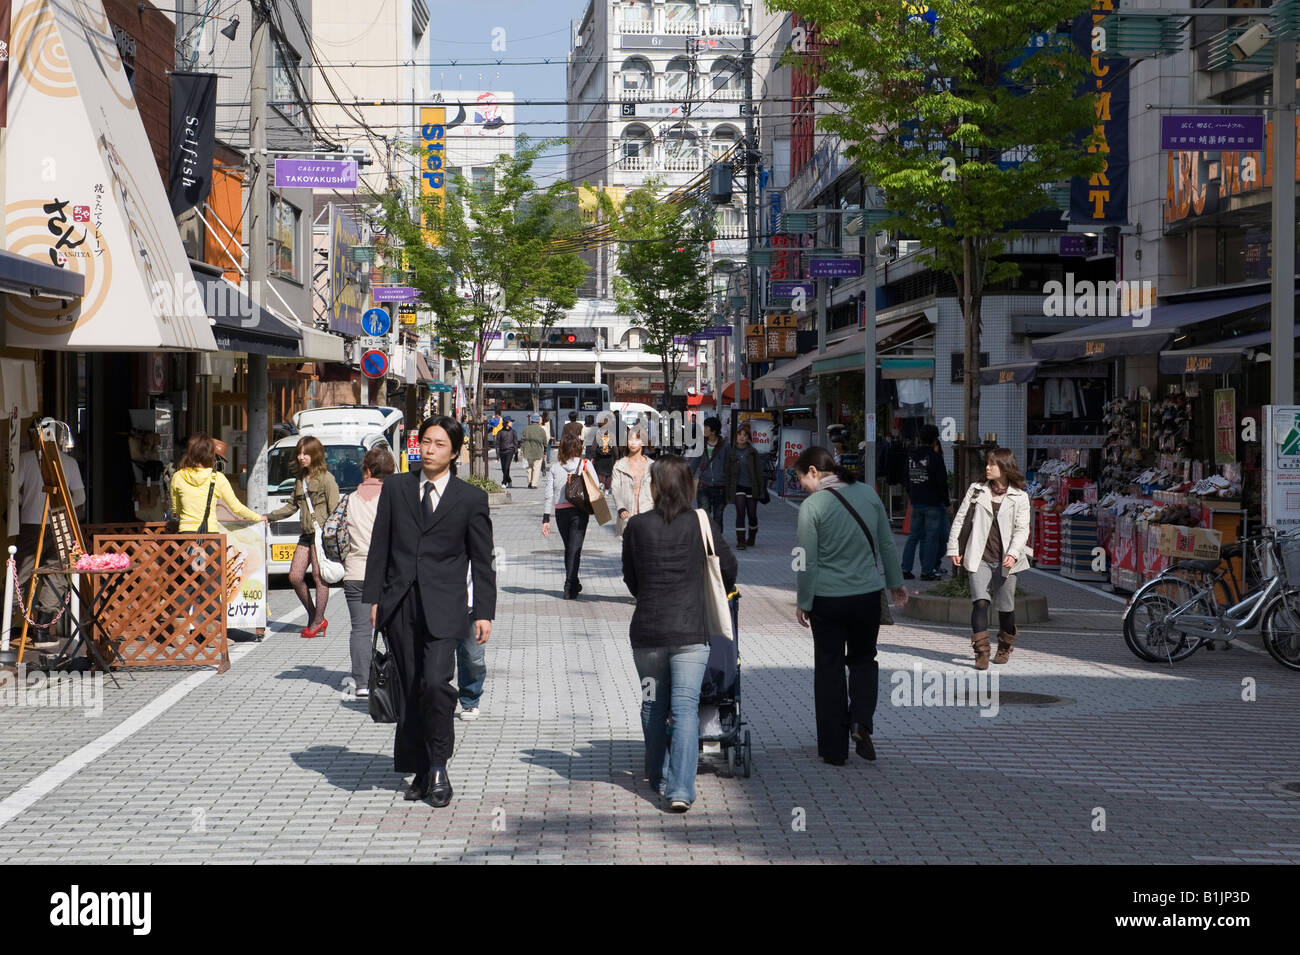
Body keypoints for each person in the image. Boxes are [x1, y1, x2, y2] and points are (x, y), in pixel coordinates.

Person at [363, 416, 496, 808]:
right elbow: (380, 546)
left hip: (446, 607)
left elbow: (482, 560)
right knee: (412, 689)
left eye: (440, 444)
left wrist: (484, 611)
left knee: (436, 684)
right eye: (426, 442)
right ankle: (420, 768)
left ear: (454, 452)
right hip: (400, 605)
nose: (431, 449)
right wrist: (374, 599)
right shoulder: (396, 488)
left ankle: (438, 765)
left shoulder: (470, 498)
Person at [622, 455, 737, 812]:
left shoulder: (637, 526)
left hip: (647, 634)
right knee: (685, 708)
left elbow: (631, 578)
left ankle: (655, 775)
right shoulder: (701, 523)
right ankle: (681, 790)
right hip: (691, 633)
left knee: (653, 703)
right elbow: (729, 569)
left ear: (655, 487)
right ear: (689, 486)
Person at [794, 446, 906, 765]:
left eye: (802, 478)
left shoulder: (813, 506)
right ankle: (860, 722)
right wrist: (896, 584)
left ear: (814, 472)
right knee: (863, 660)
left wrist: (804, 601)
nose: (802, 485)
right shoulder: (869, 495)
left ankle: (833, 750)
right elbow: (886, 543)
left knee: (829, 667)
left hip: (827, 601)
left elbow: (806, 559)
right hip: (867, 597)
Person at [947, 448, 1032, 670]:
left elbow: (1022, 530)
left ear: (1004, 467)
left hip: (1006, 559)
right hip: (979, 556)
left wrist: (1013, 553)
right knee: (980, 603)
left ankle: (1005, 644)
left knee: (1006, 609)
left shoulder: (1020, 496)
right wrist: (954, 547)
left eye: (992, 464)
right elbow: (960, 519)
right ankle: (981, 652)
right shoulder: (976, 491)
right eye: (987, 463)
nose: (987, 467)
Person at [267, 435, 340, 639]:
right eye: (299, 453)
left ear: (315, 455)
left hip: (320, 535)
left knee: (319, 576)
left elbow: (335, 510)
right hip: (306, 535)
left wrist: (332, 537)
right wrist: (269, 517)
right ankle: (314, 616)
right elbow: (292, 506)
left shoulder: (327, 479)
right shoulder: (300, 479)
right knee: (295, 576)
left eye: (305, 453)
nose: (301, 457)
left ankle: (318, 621)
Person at [15, 426, 87, 622]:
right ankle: (44, 626)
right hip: (60, 522)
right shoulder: (69, 462)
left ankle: (8, 620)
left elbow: (13, 492)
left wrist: (28, 502)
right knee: (57, 571)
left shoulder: (26, 459)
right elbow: (80, 497)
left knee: (22, 572)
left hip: (31, 521)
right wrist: (62, 505)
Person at [341, 446, 396, 699]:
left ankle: (362, 682)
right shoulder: (396, 496)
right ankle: (396, 675)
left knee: (361, 629)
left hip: (356, 570)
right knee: (393, 628)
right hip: (389, 572)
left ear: (367, 469)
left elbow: (334, 534)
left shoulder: (349, 499)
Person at [542, 431, 595, 599]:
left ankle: (573, 582)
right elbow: (596, 488)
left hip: (560, 512)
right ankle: (569, 585)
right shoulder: (586, 464)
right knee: (574, 549)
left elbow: (548, 494)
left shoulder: (555, 467)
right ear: (578, 447)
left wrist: (546, 518)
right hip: (579, 511)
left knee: (569, 548)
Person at [900, 424, 950, 581]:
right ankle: (927, 571)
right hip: (933, 503)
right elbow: (942, 482)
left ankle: (905, 569)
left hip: (916, 502)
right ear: (935, 439)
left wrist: (912, 494)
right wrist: (947, 503)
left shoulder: (910, 456)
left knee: (913, 536)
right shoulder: (935, 458)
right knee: (931, 538)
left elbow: (905, 478)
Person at [726, 422, 764, 550]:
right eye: (740, 435)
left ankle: (752, 535)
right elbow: (727, 471)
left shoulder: (753, 452)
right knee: (740, 512)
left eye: (745, 435)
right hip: (737, 486)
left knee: (752, 514)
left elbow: (759, 472)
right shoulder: (731, 452)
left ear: (748, 438)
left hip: (752, 487)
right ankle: (740, 541)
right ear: (736, 437)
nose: (742, 437)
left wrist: (761, 489)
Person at [611, 425, 654, 538]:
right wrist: (620, 507)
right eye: (630, 439)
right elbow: (615, 489)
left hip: (648, 516)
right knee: (629, 552)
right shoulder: (619, 465)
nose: (633, 442)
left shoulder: (652, 466)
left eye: (637, 439)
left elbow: (658, 491)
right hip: (626, 516)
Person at [691, 416, 731, 525]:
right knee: (704, 515)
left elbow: (730, 466)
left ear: (713, 431)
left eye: (706, 427)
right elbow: (694, 463)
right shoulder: (701, 445)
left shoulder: (725, 447)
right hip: (704, 485)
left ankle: (716, 540)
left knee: (718, 517)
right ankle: (706, 540)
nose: (704, 430)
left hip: (720, 487)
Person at [588, 416, 620, 491]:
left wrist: (593, 457)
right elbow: (615, 447)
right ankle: (607, 490)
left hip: (600, 457)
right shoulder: (612, 434)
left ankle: (601, 485)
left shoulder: (598, 433)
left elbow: (593, 447)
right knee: (609, 474)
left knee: (600, 473)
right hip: (610, 458)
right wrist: (617, 457)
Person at [521, 413, 549, 489]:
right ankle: (534, 484)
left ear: (531, 420)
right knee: (536, 468)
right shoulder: (541, 430)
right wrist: (545, 450)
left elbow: (522, 440)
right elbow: (545, 442)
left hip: (527, 451)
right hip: (538, 451)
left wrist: (522, 449)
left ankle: (530, 481)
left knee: (529, 468)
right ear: (538, 421)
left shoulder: (526, 429)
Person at [496, 416, 520, 488]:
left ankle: (504, 482)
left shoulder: (513, 432)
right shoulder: (500, 432)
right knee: (504, 468)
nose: (512, 423)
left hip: (510, 451)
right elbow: (497, 444)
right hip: (502, 451)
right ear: (506, 423)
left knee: (506, 467)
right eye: (510, 421)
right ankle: (509, 480)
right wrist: (498, 455)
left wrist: (516, 454)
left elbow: (516, 443)